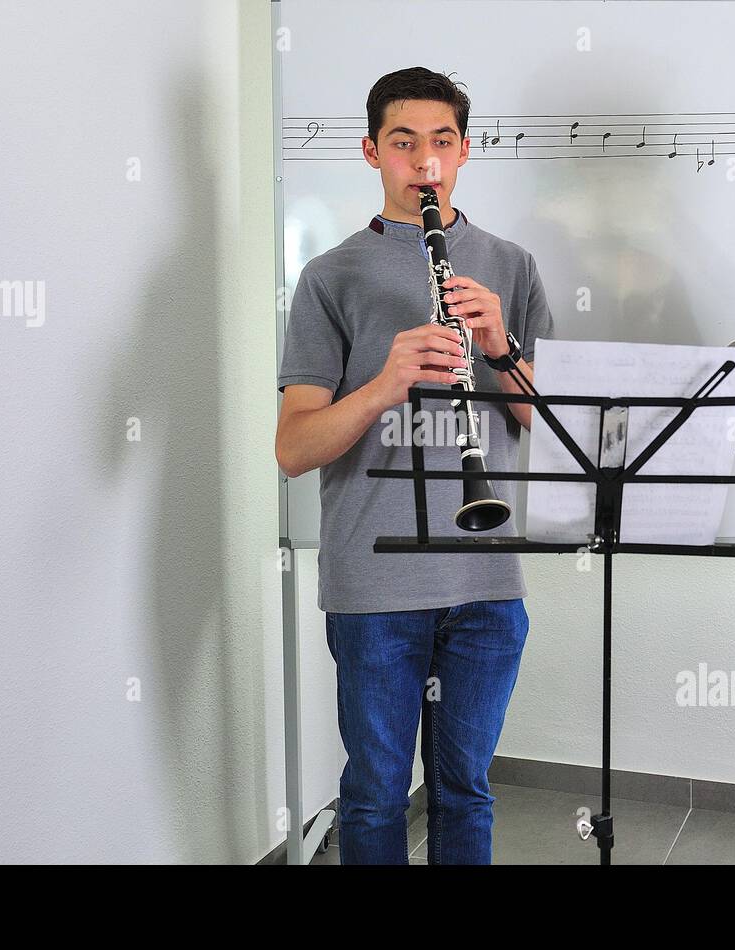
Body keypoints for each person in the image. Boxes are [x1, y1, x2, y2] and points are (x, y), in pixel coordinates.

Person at [275, 67, 554, 864]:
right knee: (373, 795)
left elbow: (551, 423)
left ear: (464, 151)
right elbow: (293, 448)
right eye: (404, 143)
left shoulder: (512, 266)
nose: (424, 162)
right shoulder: (329, 276)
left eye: (441, 142)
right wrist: (385, 383)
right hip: (375, 584)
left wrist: (500, 348)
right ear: (372, 152)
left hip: (487, 581)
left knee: (466, 791)